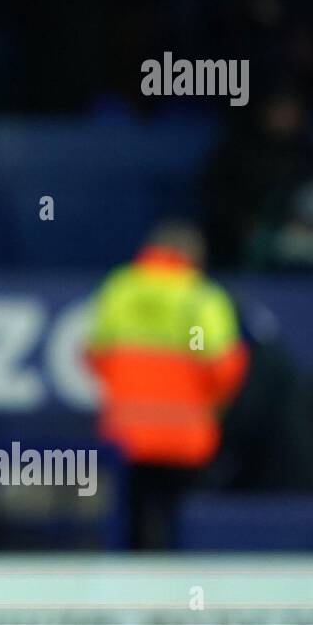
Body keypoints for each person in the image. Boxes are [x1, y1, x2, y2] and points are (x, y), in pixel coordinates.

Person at [85, 220, 248, 549]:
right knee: (178, 530)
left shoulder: (121, 288)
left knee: (133, 526)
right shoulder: (201, 297)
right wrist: (207, 402)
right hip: (186, 436)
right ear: (190, 254)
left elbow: (95, 354)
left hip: (128, 434)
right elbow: (225, 367)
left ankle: (132, 596)